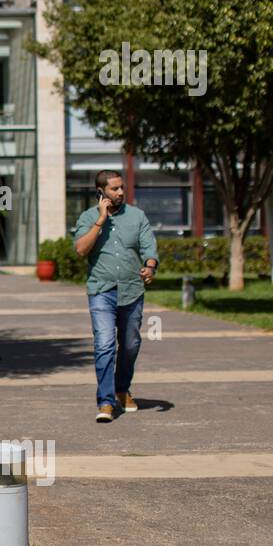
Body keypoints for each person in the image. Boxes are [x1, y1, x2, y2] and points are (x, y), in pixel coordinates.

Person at [72, 169, 158, 423]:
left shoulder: (137, 216)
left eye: (121, 187)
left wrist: (150, 266)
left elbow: (149, 247)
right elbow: (80, 250)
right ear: (101, 192)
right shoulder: (88, 217)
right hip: (101, 291)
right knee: (105, 344)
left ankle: (122, 389)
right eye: (114, 189)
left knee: (130, 345)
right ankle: (106, 402)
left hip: (132, 290)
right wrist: (100, 220)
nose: (121, 192)